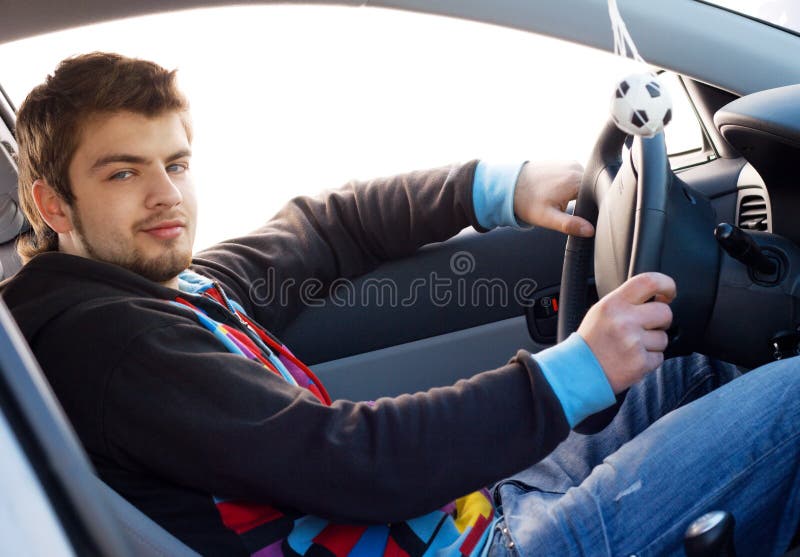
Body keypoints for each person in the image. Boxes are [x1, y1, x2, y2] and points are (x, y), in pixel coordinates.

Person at [1, 52, 798, 557]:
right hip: (489, 546)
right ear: (54, 203)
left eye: (175, 163)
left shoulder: (165, 290)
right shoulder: (108, 346)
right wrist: (578, 368)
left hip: (469, 510)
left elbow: (323, 226)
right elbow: (347, 459)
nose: (165, 194)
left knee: (697, 344)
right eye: (123, 173)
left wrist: (496, 186)